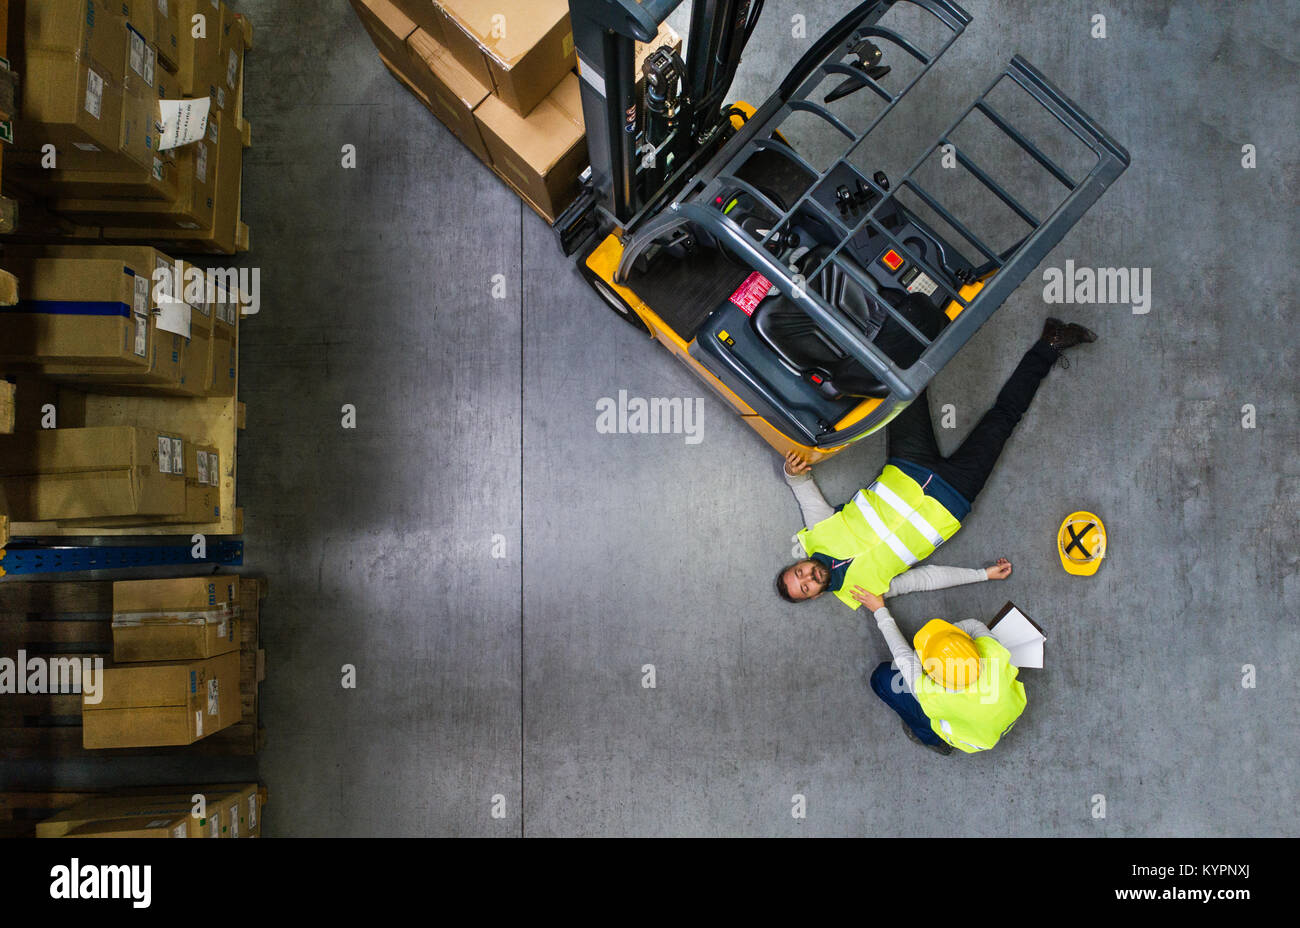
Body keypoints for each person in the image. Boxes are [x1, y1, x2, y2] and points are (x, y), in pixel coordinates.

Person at [775, 317, 1097, 608]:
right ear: (813, 597)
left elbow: (802, 486)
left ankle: (914, 309)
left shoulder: (817, 532)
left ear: (798, 563)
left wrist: (792, 472)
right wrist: (982, 575)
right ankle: (1050, 344)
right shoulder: (865, 594)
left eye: (798, 572)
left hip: (907, 465)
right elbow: (924, 579)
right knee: (1004, 419)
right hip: (953, 497)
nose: (807, 578)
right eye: (804, 588)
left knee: (902, 391)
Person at [856, 587, 1027, 755]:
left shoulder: (935, 696)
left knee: (882, 678)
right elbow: (975, 625)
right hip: (1009, 713)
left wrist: (880, 611)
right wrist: (949, 639)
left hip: (973, 739)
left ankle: (935, 740)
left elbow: (903, 658)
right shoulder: (993, 651)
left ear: (938, 681)